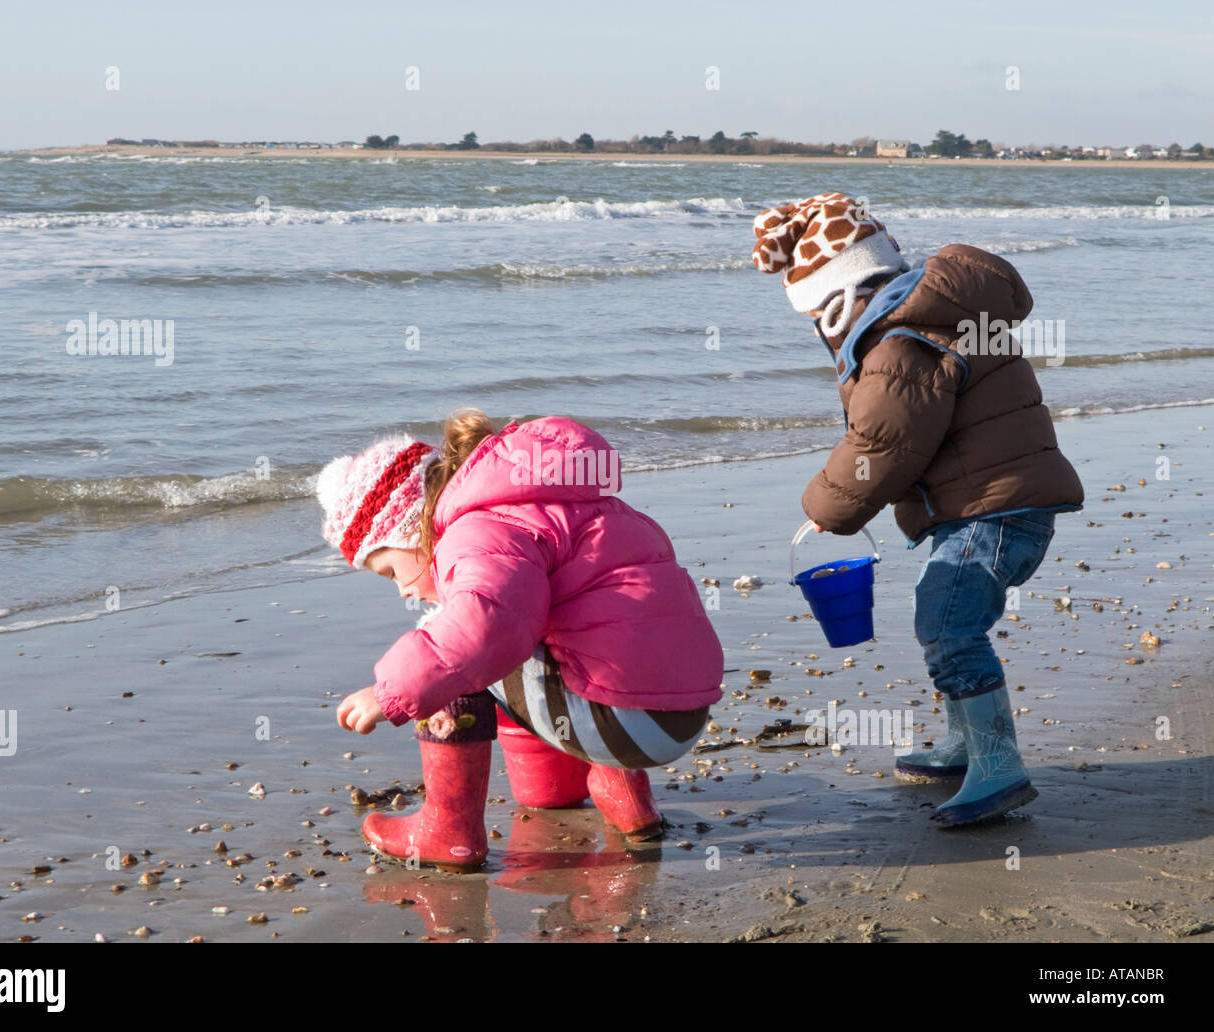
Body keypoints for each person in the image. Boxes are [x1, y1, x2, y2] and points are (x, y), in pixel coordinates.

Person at [751, 191, 1084, 826]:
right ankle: (966, 745)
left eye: (820, 316)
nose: (822, 331)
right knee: (946, 619)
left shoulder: (898, 343)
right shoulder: (931, 318)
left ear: (841, 299)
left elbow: (884, 444)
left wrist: (828, 508)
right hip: (999, 505)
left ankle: (998, 763)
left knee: (949, 627)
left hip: (995, 511)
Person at [317, 410, 723, 870]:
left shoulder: (473, 532)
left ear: (410, 528)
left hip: (624, 723)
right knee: (562, 622)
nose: (402, 589)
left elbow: (483, 630)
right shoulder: (567, 506)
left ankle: (447, 833)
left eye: (391, 570)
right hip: (681, 712)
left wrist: (390, 691)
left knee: (457, 646)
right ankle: (613, 793)